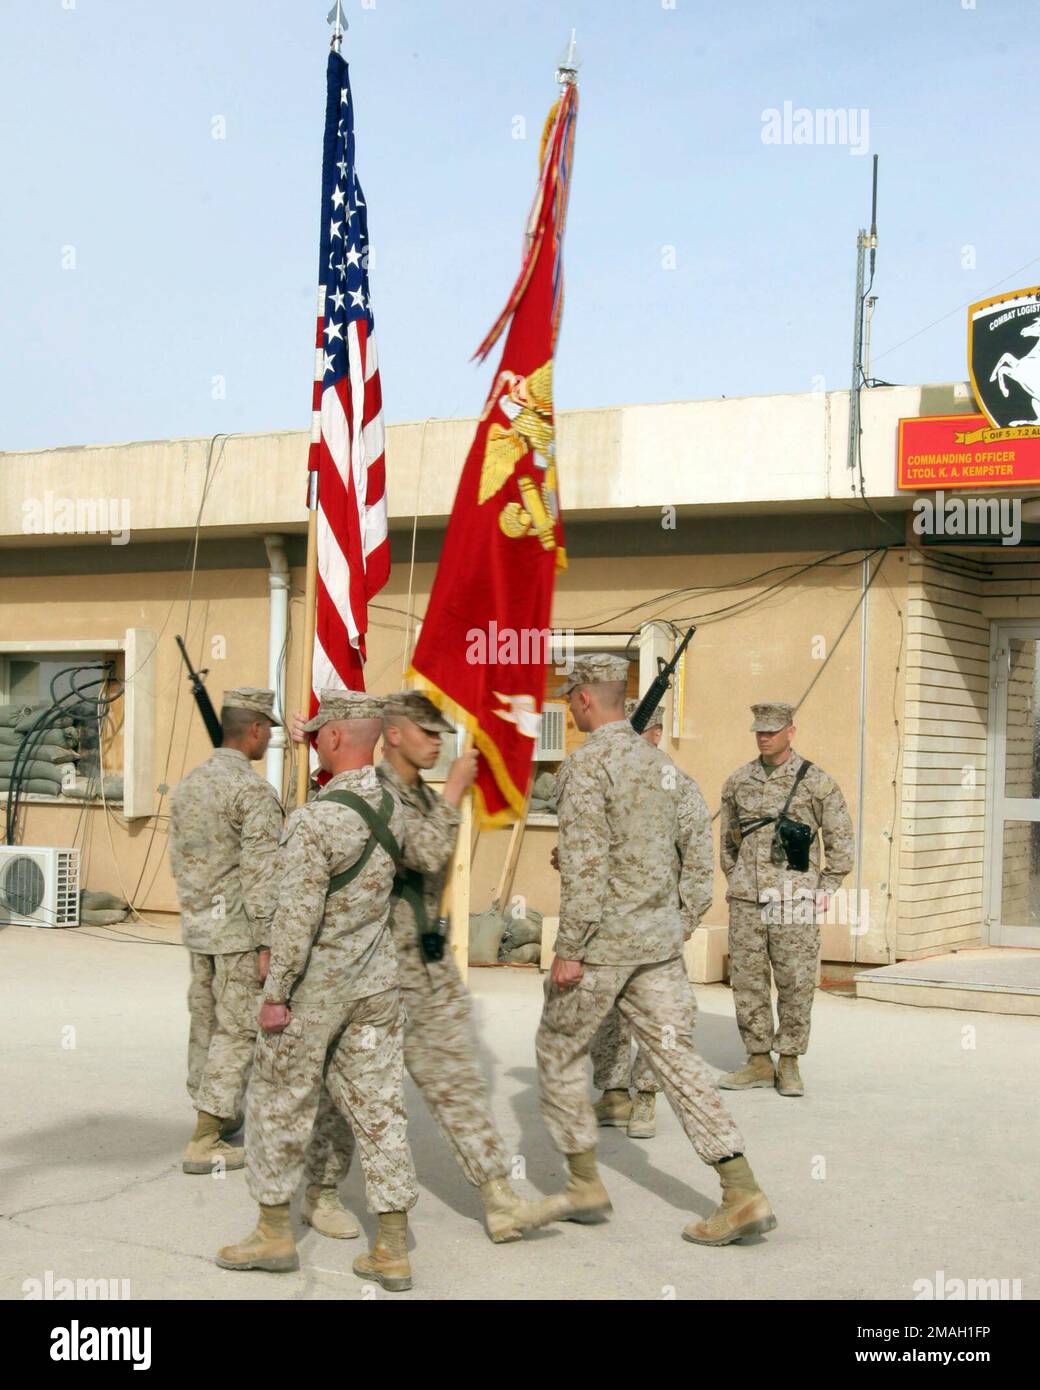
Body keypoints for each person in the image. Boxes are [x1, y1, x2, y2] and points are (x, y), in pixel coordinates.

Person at [289, 692, 559, 1243]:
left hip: (421, 968)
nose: (437, 741)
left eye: (441, 733)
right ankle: (319, 1192)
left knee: (454, 1082)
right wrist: (456, 789)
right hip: (369, 969)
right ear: (391, 734)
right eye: (426, 732)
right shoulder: (377, 791)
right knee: (347, 1097)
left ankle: (499, 1198)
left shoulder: (415, 793)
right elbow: (427, 856)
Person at [536, 655, 776, 1246]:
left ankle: (582, 1183)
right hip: (658, 945)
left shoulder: (586, 766)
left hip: (601, 948)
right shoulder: (667, 771)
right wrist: (682, 918)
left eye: (570, 700)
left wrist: (569, 947)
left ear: (587, 701)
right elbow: (687, 848)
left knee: (558, 1051)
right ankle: (741, 1189)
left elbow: (588, 866)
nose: (570, 709)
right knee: (679, 1060)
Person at [216, 690, 419, 1291]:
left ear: (333, 739)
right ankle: (392, 1248)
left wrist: (275, 992)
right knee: (381, 1110)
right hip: (377, 986)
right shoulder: (398, 805)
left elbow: (296, 918)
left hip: (314, 993)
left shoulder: (315, 820)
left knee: (279, 1104)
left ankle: (275, 1235)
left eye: (314, 736)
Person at [586, 700, 714, 1141]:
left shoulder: (676, 784)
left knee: (661, 1017)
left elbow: (698, 857)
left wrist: (687, 918)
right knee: (606, 1013)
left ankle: (645, 1096)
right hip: (605, 923)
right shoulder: (605, 781)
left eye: (637, 732)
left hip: (657, 925)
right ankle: (614, 1092)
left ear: (656, 734)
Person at [168, 687, 282, 1176]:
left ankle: (215, 1110)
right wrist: (268, 941)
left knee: (206, 1022)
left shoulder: (189, 783)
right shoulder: (252, 792)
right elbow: (263, 874)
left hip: (199, 927)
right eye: (270, 729)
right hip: (237, 933)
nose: (271, 737)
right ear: (254, 729)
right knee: (238, 1030)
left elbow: (181, 859)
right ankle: (205, 1137)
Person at [717, 702, 854, 1097]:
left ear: (790, 732)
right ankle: (758, 1060)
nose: (764, 737)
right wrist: (739, 878)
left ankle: (789, 1060)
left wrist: (823, 890)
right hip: (747, 899)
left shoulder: (816, 781)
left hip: (794, 899)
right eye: (759, 730)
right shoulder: (738, 781)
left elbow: (841, 840)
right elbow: (728, 842)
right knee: (747, 981)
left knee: (794, 981)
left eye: (772, 731)